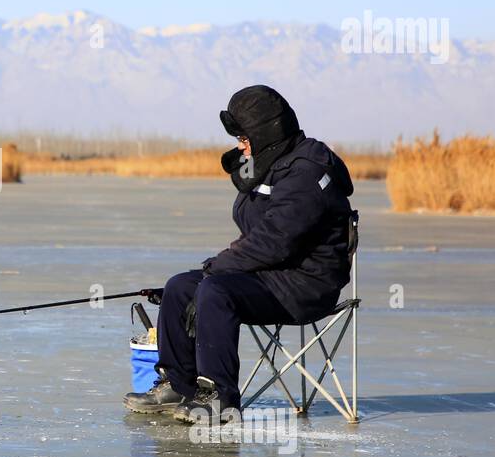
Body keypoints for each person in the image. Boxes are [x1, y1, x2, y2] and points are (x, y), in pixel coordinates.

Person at [125, 85, 355, 423]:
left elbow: (273, 241)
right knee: (179, 287)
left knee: (214, 291)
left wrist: (214, 270)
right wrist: (211, 272)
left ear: (266, 134)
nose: (239, 147)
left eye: (244, 140)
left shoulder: (307, 172)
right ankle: (178, 385)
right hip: (271, 274)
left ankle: (220, 399)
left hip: (305, 285)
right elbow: (257, 231)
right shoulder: (273, 164)